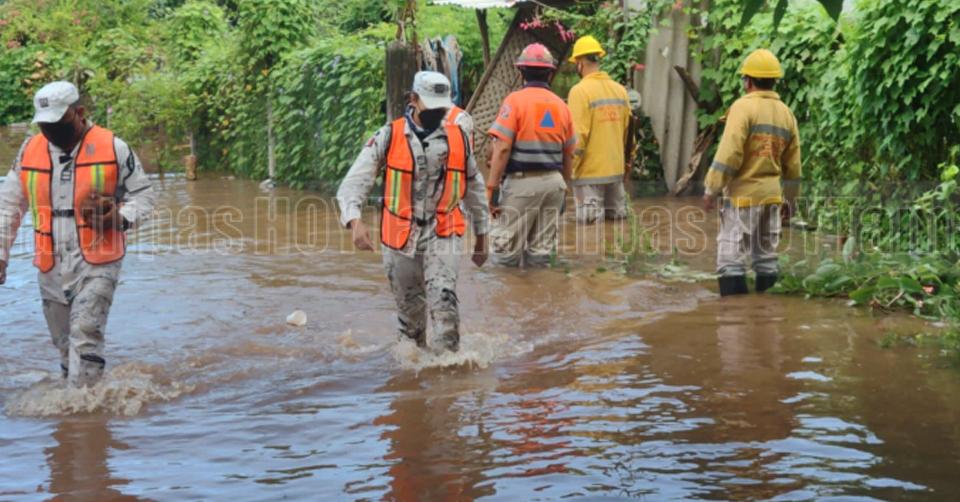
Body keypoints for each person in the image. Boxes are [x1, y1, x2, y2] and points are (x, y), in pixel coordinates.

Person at [0, 81, 155, 387]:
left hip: (99, 260)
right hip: (50, 261)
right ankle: (76, 405)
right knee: (63, 343)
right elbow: (8, 206)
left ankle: (83, 417)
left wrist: (120, 218)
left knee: (85, 333)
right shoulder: (29, 151)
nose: (51, 131)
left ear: (79, 113)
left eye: (58, 122)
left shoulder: (113, 147)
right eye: (45, 125)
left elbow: (145, 196)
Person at [336, 71, 489, 353]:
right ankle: (413, 378)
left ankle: (448, 377)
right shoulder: (389, 135)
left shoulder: (459, 139)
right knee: (411, 320)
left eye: (441, 108)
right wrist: (354, 220)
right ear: (413, 100)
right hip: (399, 236)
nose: (436, 113)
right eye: (430, 106)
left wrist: (482, 235)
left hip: (442, 232)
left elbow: (475, 188)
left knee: (445, 300)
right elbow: (354, 182)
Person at [702, 49, 802, 296]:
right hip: (772, 198)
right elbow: (793, 166)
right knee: (766, 258)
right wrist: (790, 201)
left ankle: (735, 323)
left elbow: (729, 154)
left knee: (730, 260)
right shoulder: (786, 113)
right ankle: (764, 317)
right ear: (774, 81)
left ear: (747, 81)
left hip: (743, 198)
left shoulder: (743, 107)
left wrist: (711, 189)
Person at [486, 43, 577, 267]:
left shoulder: (514, 101)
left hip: (522, 184)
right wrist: (565, 189)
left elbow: (503, 148)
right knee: (541, 254)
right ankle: (539, 296)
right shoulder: (561, 106)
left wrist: (491, 189)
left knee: (504, 254)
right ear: (550, 72)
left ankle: (510, 298)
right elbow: (569, 154)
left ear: (521, 72)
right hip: (554, 184)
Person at [566, 35, 632, 224]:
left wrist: (569, 170)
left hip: (588, 175)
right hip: (615, 174)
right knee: (617, 232)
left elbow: (578, 137)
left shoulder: (579, 91)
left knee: (589, 235)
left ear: (579, 63)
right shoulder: (620, 90)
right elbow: (629, 134)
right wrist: (626, 166)